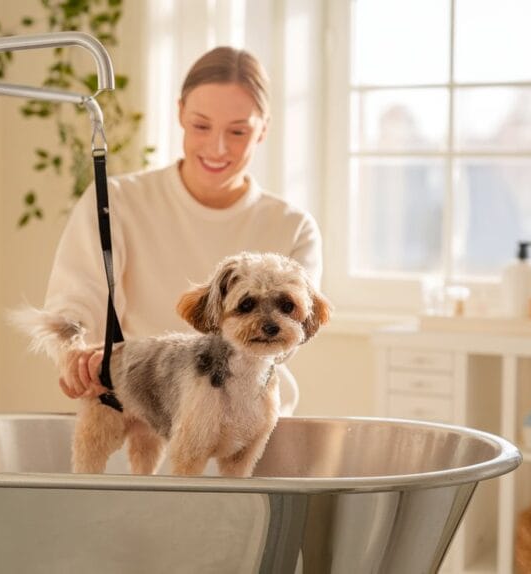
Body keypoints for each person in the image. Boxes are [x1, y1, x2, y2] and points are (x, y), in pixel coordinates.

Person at [42, 46, 322, 415]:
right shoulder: (115, 201)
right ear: (180, 114)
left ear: (264, 128)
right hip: (139, 413)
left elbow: (288, 336)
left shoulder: (292, 226)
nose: (217, 147)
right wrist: (74, 353)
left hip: (248, 419)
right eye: (201, 125)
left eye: (238, 131)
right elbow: (73, 304)